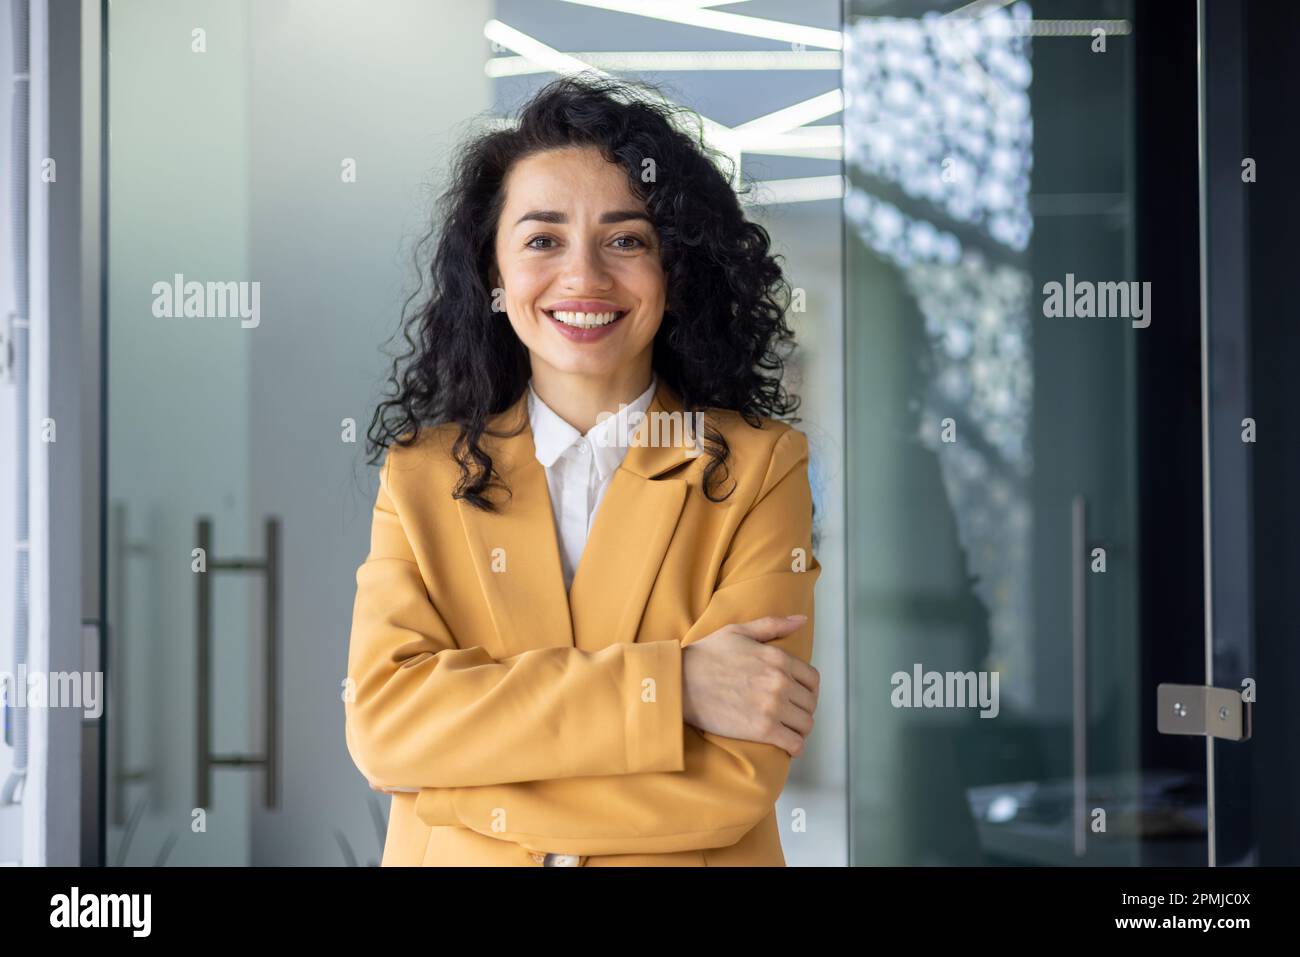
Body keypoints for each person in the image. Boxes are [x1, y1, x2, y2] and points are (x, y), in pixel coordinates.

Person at [345, 75, 821, 866]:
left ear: (675, 271)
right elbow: (387, 726)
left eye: (627, 239)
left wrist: (456, 789)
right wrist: (676, 689)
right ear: (494, 276)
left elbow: (733, 779)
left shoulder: (760, 467)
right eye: (542, 239)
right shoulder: (422, 477)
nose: (584, 278)